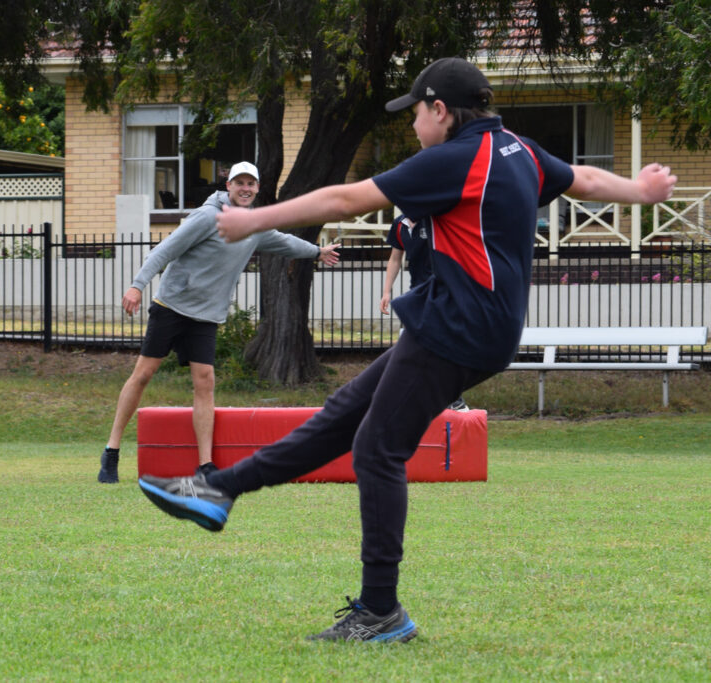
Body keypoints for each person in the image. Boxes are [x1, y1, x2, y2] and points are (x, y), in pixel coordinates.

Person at [138, 57, 676, 641]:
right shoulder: (517, 150)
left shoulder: (453, 159)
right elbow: (588, 180)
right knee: (346, 414)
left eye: (416, 114)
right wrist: (641, 192)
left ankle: (381, 610)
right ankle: (220, 490)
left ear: (441, 110)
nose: (413, 127)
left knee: (376, 447)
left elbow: (346, 200)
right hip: (471, 323)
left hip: (461, 325)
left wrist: (253, 219)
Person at [99, 161, 341, 483]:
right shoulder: (206, 217)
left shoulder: (255, 225)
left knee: (205, 382)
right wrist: (137, 285)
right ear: (228, 186)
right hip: (171, 305)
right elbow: (165, 250)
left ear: (257, 190)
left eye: (251, 184)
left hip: (206, 315)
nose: (245, 188)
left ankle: (204, 465)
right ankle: (111, 451)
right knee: (143, 374)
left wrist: (316, 252)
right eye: (239, 182)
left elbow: (283, 242)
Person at [381, 214, 469, 411]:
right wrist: (387, 291)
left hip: (441, 290)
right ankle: (419, 396)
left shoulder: (433, 218)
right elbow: (395, 258)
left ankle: (454, 398)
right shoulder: (400, 224)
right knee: (417, 345)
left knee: (441, 343)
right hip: (417, 292)